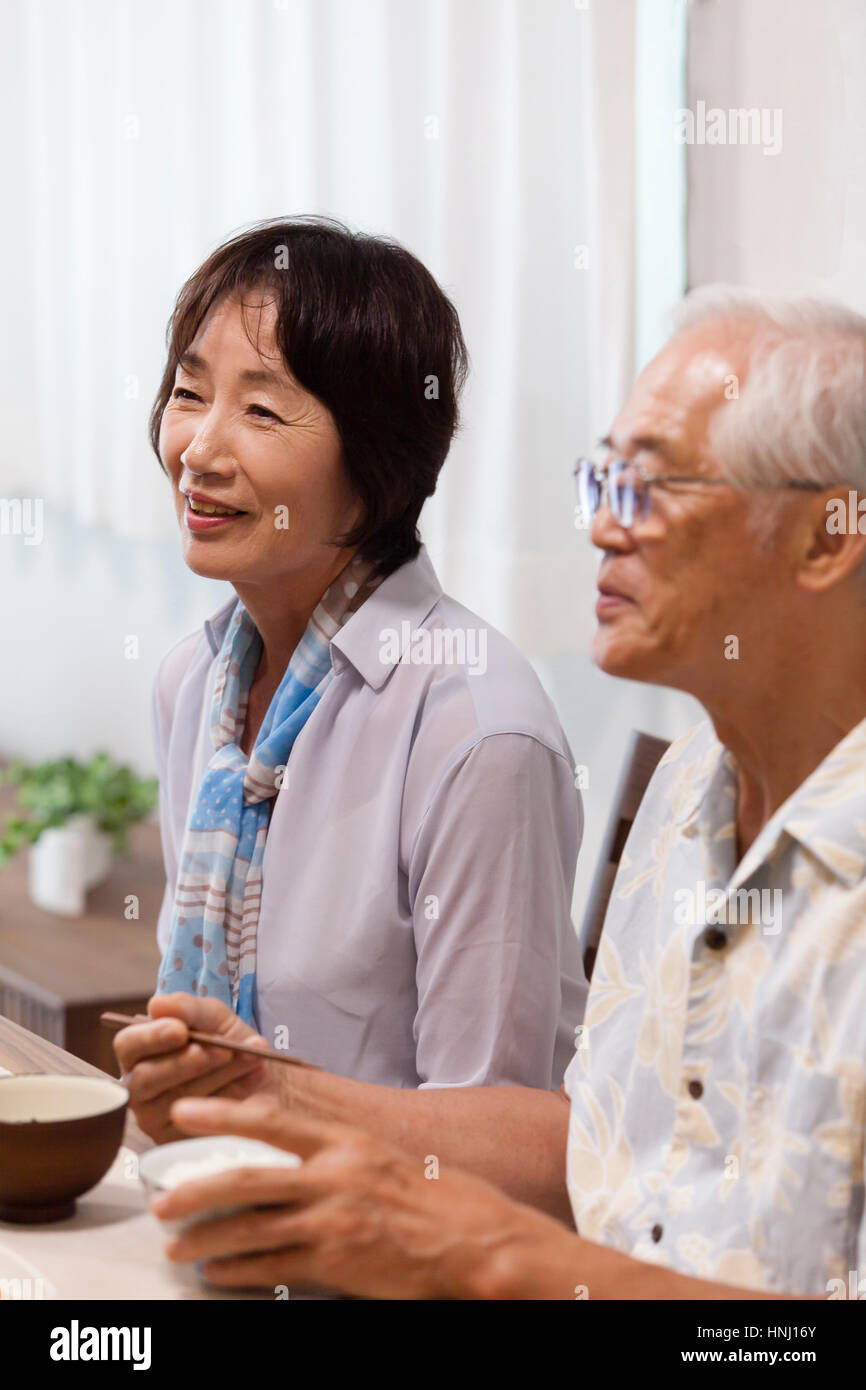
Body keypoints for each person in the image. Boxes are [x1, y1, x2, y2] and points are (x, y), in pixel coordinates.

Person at [150, 289, 866, 1298]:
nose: (603, 528)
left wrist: (496, 1256)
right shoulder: (688, 792)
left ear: (824, 535)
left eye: (657, 485)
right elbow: (599, 1153)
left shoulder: (484, 721)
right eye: (601, 479)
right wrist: (270, 1086)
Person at [117, 217, 586, 1149]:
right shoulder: (194, 685)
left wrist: (281, 1125)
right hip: (215, 1212)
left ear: (375, 469)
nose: (199, 452)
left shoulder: (476, 731)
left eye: (260, 410)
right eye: (188, 392)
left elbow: (493, 1137)